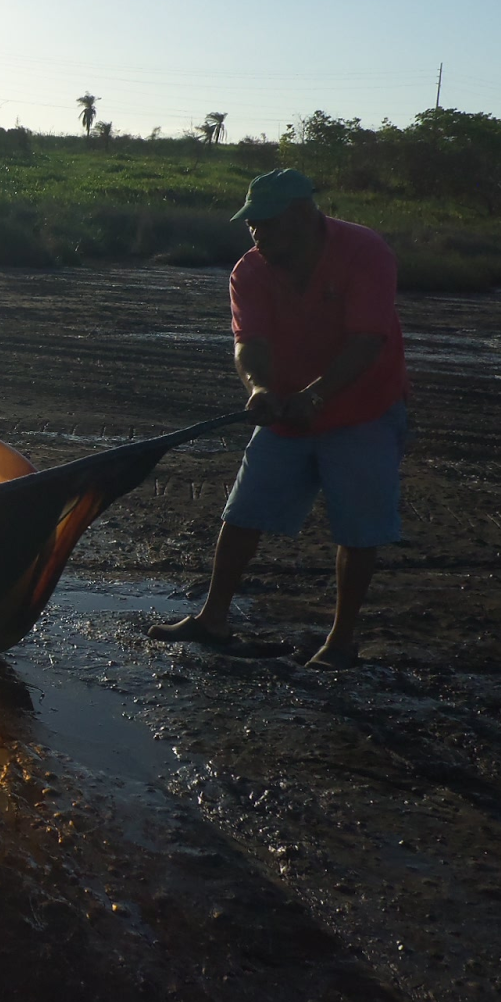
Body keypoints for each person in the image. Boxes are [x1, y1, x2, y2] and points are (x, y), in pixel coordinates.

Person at [148, 168, 409, 670]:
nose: (257, 234)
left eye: (267, 223)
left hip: (364, 410)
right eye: (252, 224)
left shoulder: (365, 252)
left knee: (358, 527)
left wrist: (318, 394)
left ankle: (341, 642)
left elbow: (367, 341)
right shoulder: (250, 271)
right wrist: (261, 389)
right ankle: (213, 618)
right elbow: (249, 344)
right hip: (287, 411)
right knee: (243, 512)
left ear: (304, 216)